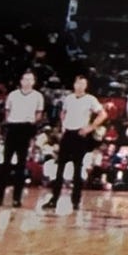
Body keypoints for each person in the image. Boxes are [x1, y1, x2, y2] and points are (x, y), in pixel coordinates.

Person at [42, 75, 107, 211]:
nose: (80, 86)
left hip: (80, 134)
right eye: (78, 83)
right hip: (68, 133)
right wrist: (63, 126)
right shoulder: (69, 98)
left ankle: (75, 201)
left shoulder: (90, 99)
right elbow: (63, 112)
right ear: (74, 84)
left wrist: (90, 127)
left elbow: (103, 114)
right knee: (60, 167)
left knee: (78, 168)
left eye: (83, 84)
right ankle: (54, 199)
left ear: (86, 86)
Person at [0, 70, 44, 207]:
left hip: (26, 128)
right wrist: (11, 122)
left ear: (34, 82)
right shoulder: (13, 95)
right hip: (13, 128)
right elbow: (7, 111)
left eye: (30, 79)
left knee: (21, 165)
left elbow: (39, 114)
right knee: (5, 164)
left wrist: (31, 125)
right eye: (25, 79)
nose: (27, 82)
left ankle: (16, 199)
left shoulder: (38, 96)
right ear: (21, 81)